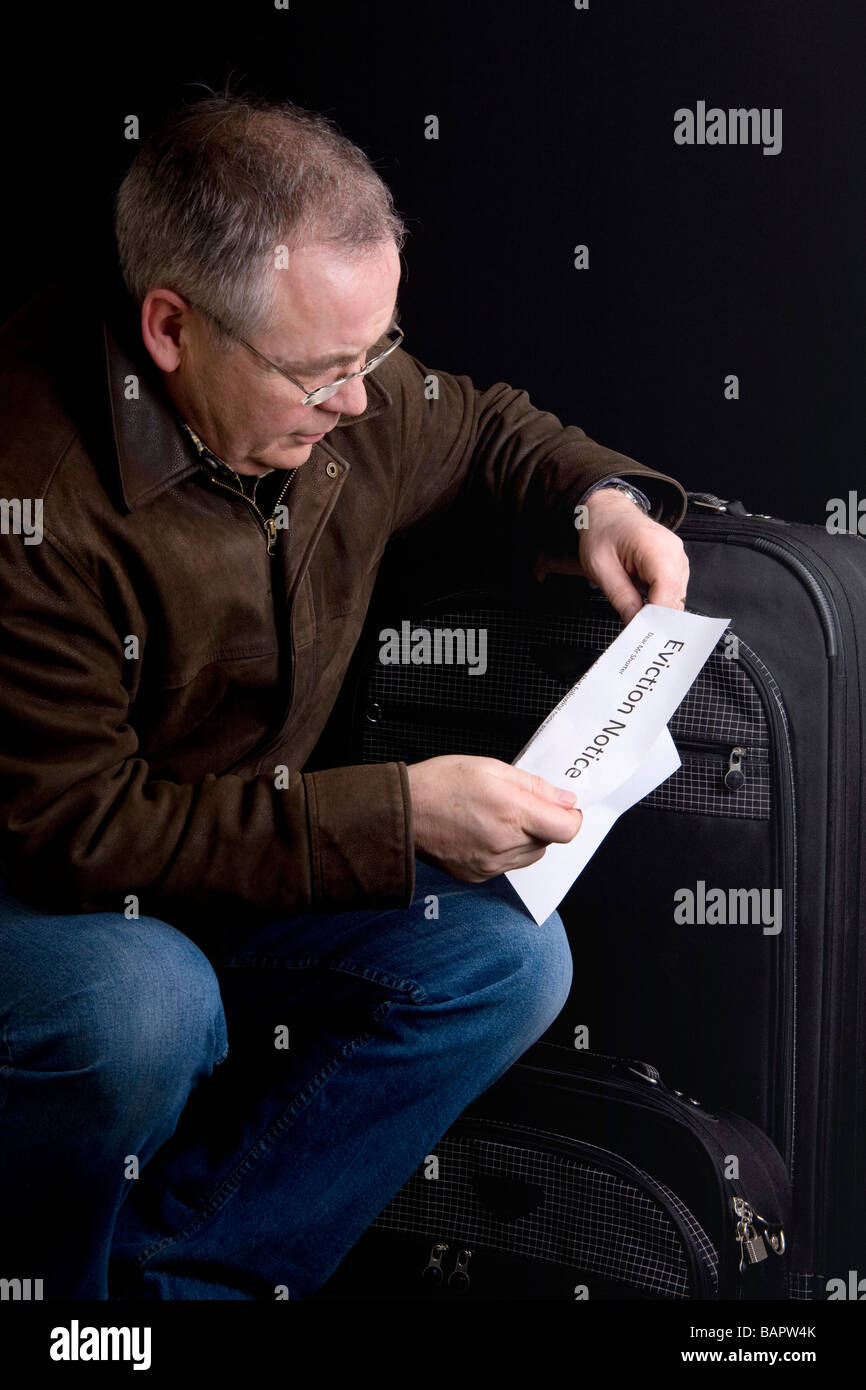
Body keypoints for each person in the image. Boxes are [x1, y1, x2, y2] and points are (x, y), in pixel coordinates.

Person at [0, 94, 689, 1300]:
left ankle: (174, 1296)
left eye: (374, 352)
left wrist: (602, 503)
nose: (362, 404)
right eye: (324, 372)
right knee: (144, 1003)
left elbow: (478, 426)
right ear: (171, 329)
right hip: (49, 898)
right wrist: (395, 818)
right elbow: (80, 835)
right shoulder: (30, 493)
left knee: (505, 963)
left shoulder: (332, 390)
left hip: (225, 866)